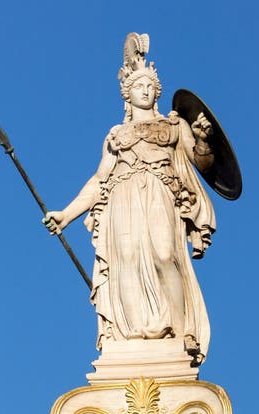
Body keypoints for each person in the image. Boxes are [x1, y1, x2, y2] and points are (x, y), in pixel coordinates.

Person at [43, 33, 216, 363]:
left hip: (159, 192)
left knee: (165, 255)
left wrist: (204, 139)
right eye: (139, 86)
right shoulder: (116, 135)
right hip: (122, 197)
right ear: (127, 93)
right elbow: (99, 179)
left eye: (150, 86)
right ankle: (133, 333)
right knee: (126, 259)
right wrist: (67, 214)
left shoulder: (173, 126)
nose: (146, 91)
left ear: (157, 92)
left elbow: (202, 162)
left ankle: (181, 331)